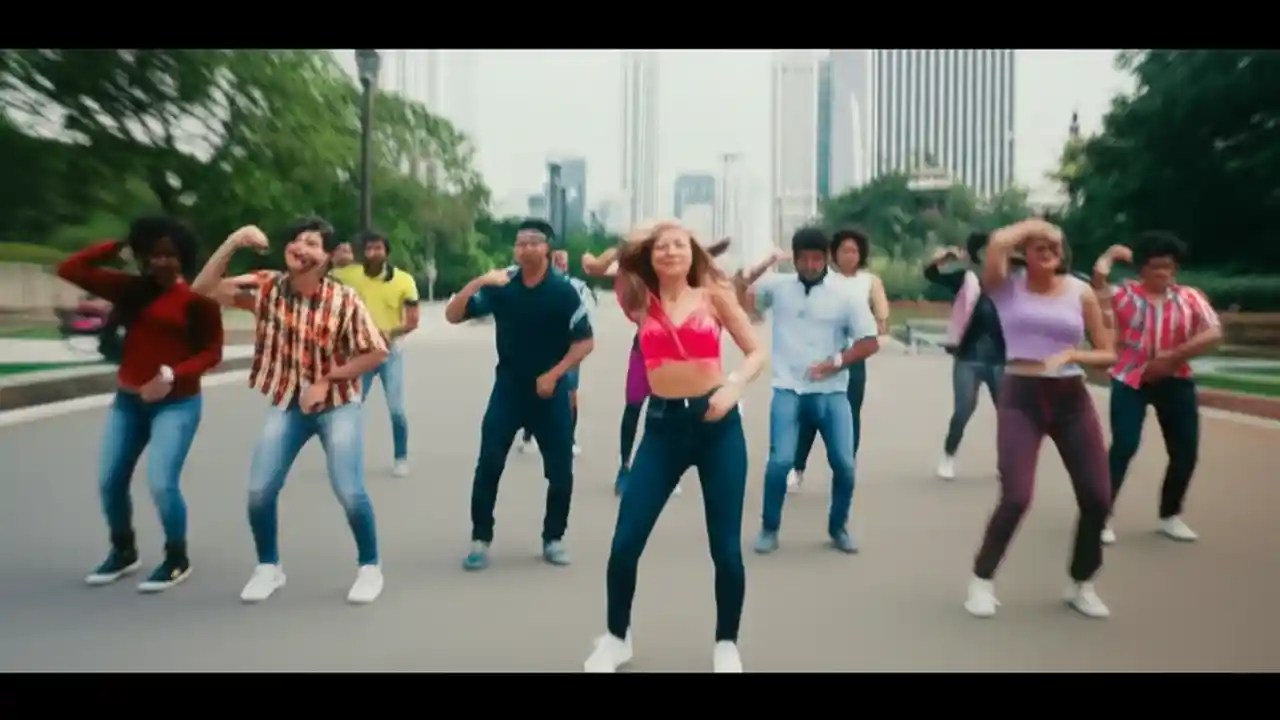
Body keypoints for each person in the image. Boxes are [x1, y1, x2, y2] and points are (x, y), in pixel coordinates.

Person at [582, 221, 765, 674]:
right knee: (625, 543)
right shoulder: (639, 299)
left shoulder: (714, 294)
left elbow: (757, 352)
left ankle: (726, 643)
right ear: (650, 254)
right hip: (663, 428)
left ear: (694, 253)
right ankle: (616, 638)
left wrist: (735, 388)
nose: (669, 251)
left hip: (717, 427)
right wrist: (640, 239)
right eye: (661, 247)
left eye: (679, 244)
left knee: (724, 547)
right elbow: (606, 262)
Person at [192, 217, 390, 605]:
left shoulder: (344, 300)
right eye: (296, 240)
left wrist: (326, 380)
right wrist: (234, 240)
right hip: (287, 401)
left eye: (313, 243)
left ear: (328, 257)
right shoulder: (267, 288)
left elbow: (377, 352)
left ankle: (370, 567)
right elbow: (202, 289)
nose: (302, 248)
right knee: (259, 490)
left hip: (338, 403)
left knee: (349, 489)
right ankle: (269, 567)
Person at [56, 217, 224, 593]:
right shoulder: (130, 290)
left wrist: (171, 375)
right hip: (128, 402)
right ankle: (123, 551)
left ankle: (176, 557)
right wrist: (120, 244)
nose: (162, 262)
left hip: (177, 404)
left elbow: (212, 353)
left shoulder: (197, 303)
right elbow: (70, 268)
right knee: (110, 480)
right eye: (154, 254)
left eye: (170, 255)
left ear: (184, 258)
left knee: (162, 482)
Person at [966, 218, 1117, 619]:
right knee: (1017, 496)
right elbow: (997, 240)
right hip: (1021, 396)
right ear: (1024, 253)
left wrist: (1073, 355)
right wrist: (1039, 225)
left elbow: (1108, 352)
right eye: (1037, 245)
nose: (1048, 248)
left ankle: (1081, 582)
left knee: (1098, 497)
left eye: (1054, 245)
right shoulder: (1005, 288)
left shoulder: (1080, 292)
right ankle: (982, 580)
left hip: (1071, 398)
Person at [444, 219, 594, 571]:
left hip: (550, 392)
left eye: (533, 242)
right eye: (520, 242)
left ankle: (553, 537)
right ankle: (480, 538)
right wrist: (479, 281)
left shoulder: (563, 292)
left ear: (548, 250)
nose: (525, 248)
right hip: (509, 389)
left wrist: (555, 374)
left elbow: (584, 342)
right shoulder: (502, 286)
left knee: (559, 470)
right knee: (489, 463)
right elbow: (453, 315)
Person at [739, 228, 880, 555]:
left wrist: (836, 362)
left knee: (844, 463)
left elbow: (869, 341)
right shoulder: (780, 288)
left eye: (818, 258)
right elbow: (738, 290)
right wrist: (766, 262)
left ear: (827, 258)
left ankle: (838, 526)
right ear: (796, 258)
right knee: (780, 461)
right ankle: (769, 528)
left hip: (831, 392)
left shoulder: (846, 295)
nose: (811, 265)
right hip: (788, 389)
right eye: (804, 259)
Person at [1091, 233, 1223, 545]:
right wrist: (1110, 256)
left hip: (1175, 379)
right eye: (1155, 267)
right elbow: (1097, 286)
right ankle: (1101, 516)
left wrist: (1173, 357)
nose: (1163, 273)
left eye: (1168, 266)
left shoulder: (1189, 297)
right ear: (1142, 269)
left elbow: (1213, 332)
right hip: (1130, 379)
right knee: (1124, 446)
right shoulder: (1124, 296)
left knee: (1185, 452)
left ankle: (1170, 515)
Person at [582, 237, 732, 498]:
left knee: (672, 408)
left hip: (677, 358)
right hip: (645, 351)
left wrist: (705, 251)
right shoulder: (637, 279)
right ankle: (626, 466)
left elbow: (698, 264)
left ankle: (670, 469)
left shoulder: (684, 281)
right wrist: (618, 250)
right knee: (633, 408)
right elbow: (592, 266)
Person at [787, 228, 889, 492]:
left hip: (852, 357)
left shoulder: (869, 282)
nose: (849, 255)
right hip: (817, 356)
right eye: (844, 250)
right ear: (833, 254)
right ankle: (797, 468)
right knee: (808, 414)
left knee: (849, 413)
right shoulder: (822, 279)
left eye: (854, 251)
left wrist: (867, 331)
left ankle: (845, 469)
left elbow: (881, 317)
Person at [332, 229, 420, 477]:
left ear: (386, 252)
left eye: (378, 248)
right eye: (369, 249)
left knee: (396, 408)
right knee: (351, 406)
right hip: (359, 353)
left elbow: (413, 321)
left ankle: (400, 457)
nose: (373, 253)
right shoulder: (349, 275)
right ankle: (347, 457)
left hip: (389, 352)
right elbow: (318, 278)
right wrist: (333, 258)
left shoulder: (404, 280)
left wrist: (387, 334)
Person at [923, 232, 1007, 480]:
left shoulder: (1009, 279)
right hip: (968, 356)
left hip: (1001, 358)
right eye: (984, 250)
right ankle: (948, 456)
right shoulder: (965, 278)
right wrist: (942, 258)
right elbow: (931, 274)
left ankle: (1007, 462)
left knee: (1007, 413)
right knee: (963, 408)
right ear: (976, 253)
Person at [516, 248, 596, 458]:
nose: (561, 263)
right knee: (536, 389)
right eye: (557, 259)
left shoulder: (578, 287)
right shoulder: (536, 285)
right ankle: (529, 434)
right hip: (542, 347)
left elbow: (589, 313)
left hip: (569, 347)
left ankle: (568, 439)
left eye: (564, 260)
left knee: (570, 395)